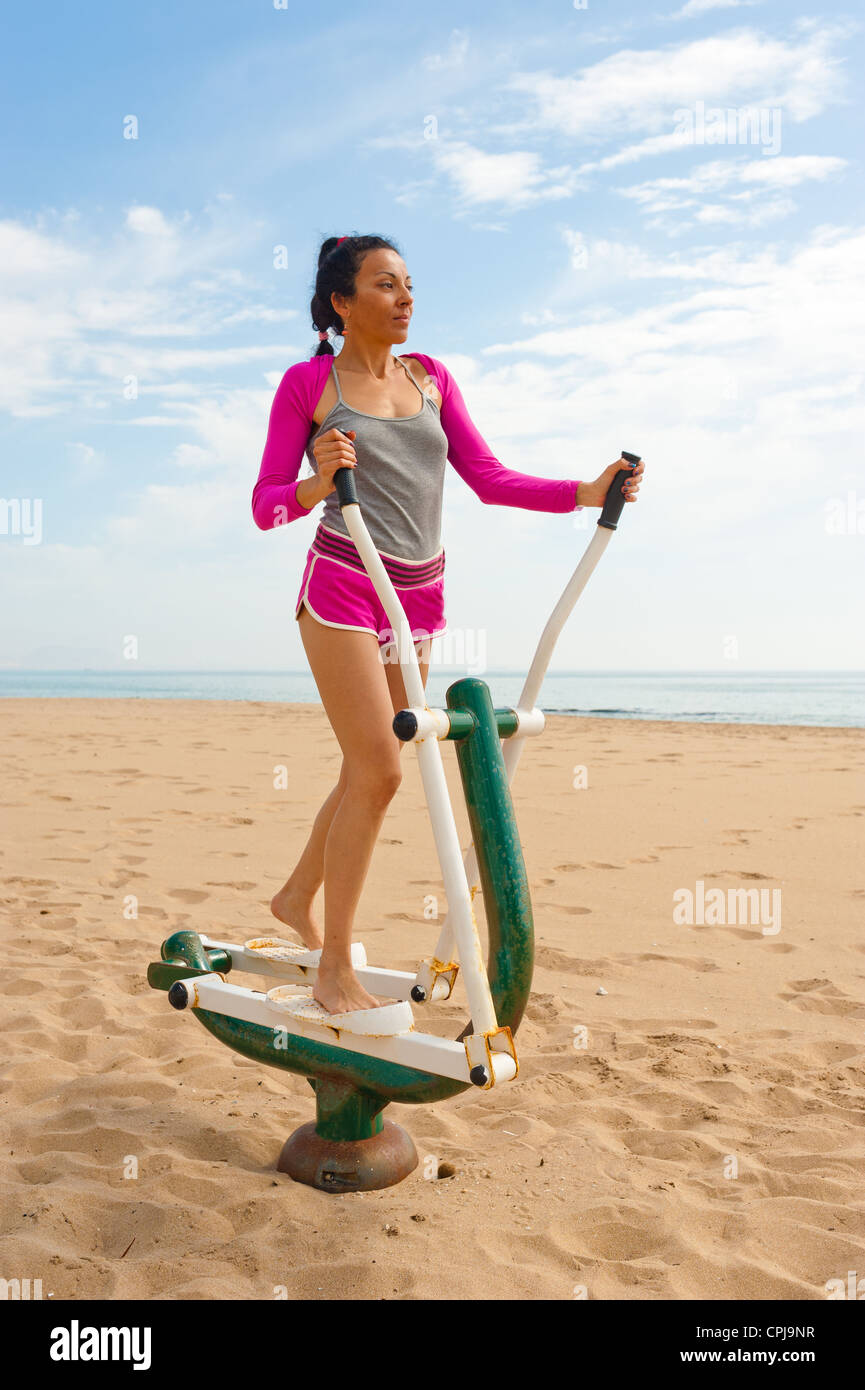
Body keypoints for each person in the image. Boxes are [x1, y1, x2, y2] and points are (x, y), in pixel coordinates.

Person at [251, 234, 645, 1015]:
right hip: (344, 585)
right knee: (383, 771)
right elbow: (265, 505)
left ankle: (296, 895)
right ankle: (334, 968)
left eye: (408, 285)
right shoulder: (308, 386)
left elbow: (489, 480)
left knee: (370, 761)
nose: (404, 298)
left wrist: (584, 489)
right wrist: (315, 482)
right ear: (341, 301)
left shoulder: (431, 379)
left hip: (420, 597)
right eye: (384, 284)